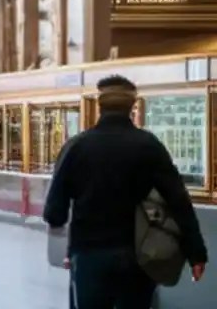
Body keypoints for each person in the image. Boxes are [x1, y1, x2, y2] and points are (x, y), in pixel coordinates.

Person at [44, 75, 208, 308]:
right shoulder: (149, 145)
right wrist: (196, 253)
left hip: (89, 256)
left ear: (99, 104)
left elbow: (54, 213)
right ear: (132, 106)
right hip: (138, 256)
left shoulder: (77, 146)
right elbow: (179, 201)